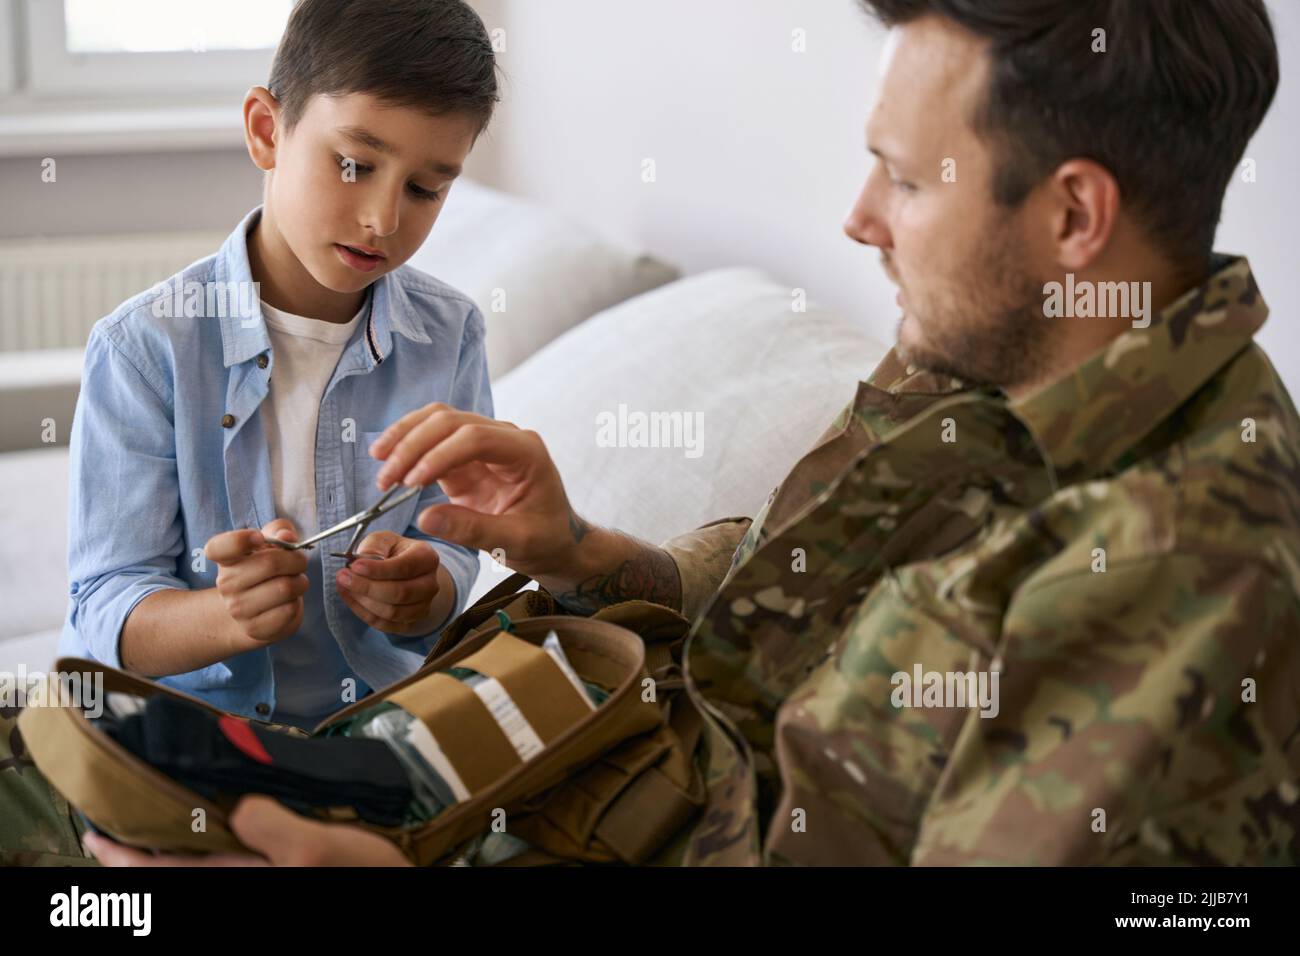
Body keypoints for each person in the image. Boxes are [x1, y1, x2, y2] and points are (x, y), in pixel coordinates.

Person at [5, 0, 1295, 867]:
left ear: (1073, 219)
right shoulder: (983, 359)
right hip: (488, 736)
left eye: (904, 179)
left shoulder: (1183, 569)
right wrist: (584, 549)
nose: (857, 221)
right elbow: (780, 589)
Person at [57, 0, 497, 731]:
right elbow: (106, 604)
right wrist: (224, 617)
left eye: (425, 189)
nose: (384, 219)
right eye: (355, 164)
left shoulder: (450, 337)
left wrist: (431, 590)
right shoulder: (146, 347)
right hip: (184, 728)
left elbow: (453, 538)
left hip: (374, 725)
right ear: (267, 130)